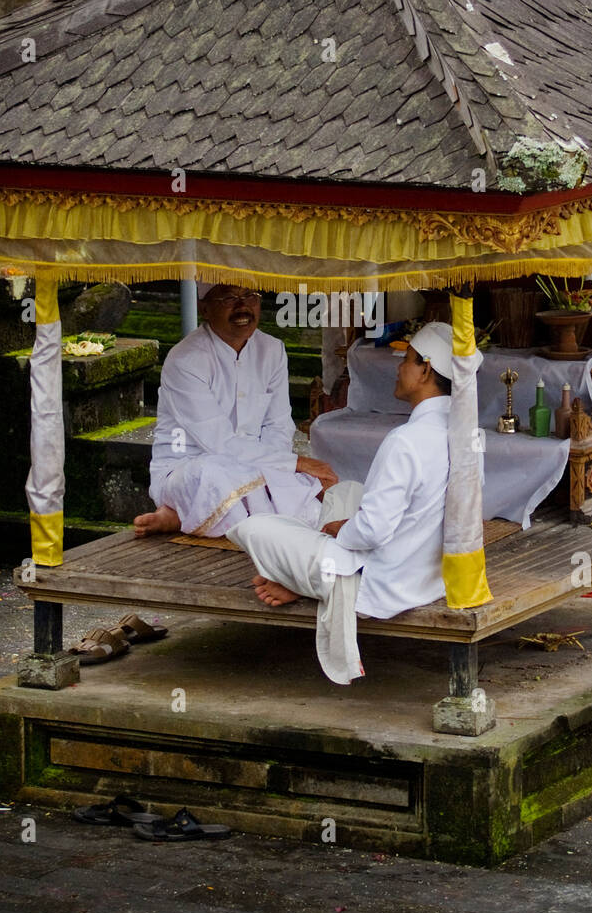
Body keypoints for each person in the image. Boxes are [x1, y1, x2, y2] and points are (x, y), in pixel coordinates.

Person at [227, 322, 456, 684]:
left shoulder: (407, 441)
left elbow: (374, 531)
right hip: (427, 576)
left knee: (255, 527)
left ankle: (305, 580)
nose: (398, 367)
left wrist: (342, 532)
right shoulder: (462, 433)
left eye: (406, 360)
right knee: (345, 491)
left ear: (426, 370)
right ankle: (302, 576)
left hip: (381, 581)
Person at [134, 284, 337, 538]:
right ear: (204, 308)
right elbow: (219, 443)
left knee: (303, 486)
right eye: (229, 298)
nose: (242, 306)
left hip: (258, 465)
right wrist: (294, 463)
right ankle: (187, 513)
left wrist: (281, 469)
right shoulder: (184, 359)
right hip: (190, 468)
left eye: (250, 296)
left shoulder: (272, 350)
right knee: (215, 475)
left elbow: (279, 426)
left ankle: (184, 516)